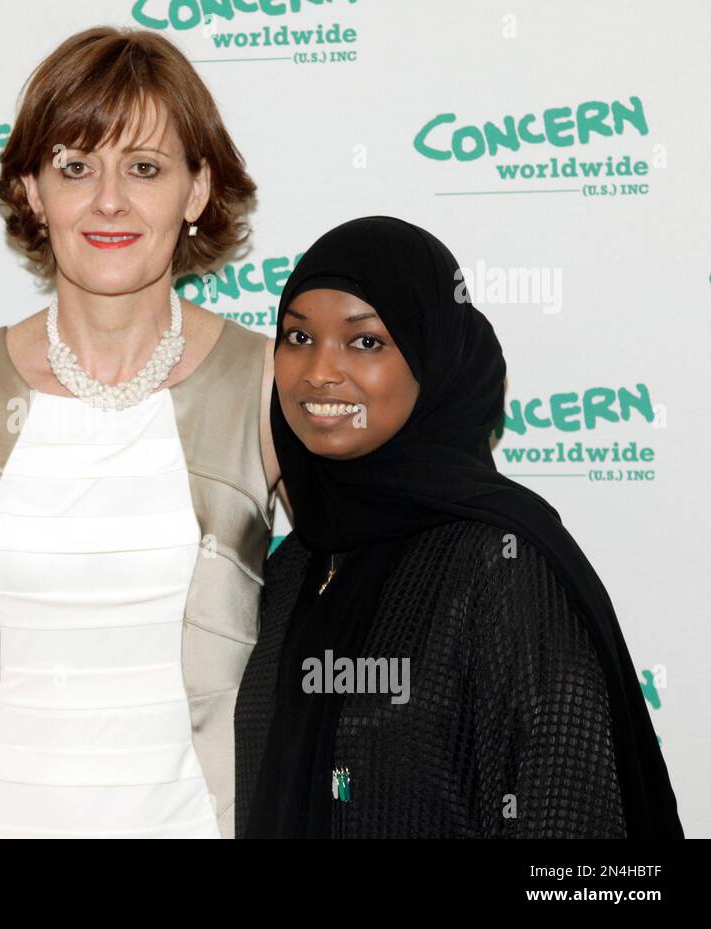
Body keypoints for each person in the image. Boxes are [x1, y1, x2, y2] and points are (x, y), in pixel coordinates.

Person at [0, 26, 282, 838]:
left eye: (144, 168)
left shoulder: (266, 386)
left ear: (196, 190)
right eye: (76, 168)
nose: (109, 201)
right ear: (35, 193)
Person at [234, 215, 683, 838]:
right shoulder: (295, 567)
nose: (319, 372)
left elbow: (572, 820)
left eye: (366, 342)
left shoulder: (501, 560)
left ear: (433, 359)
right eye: (298, 337)